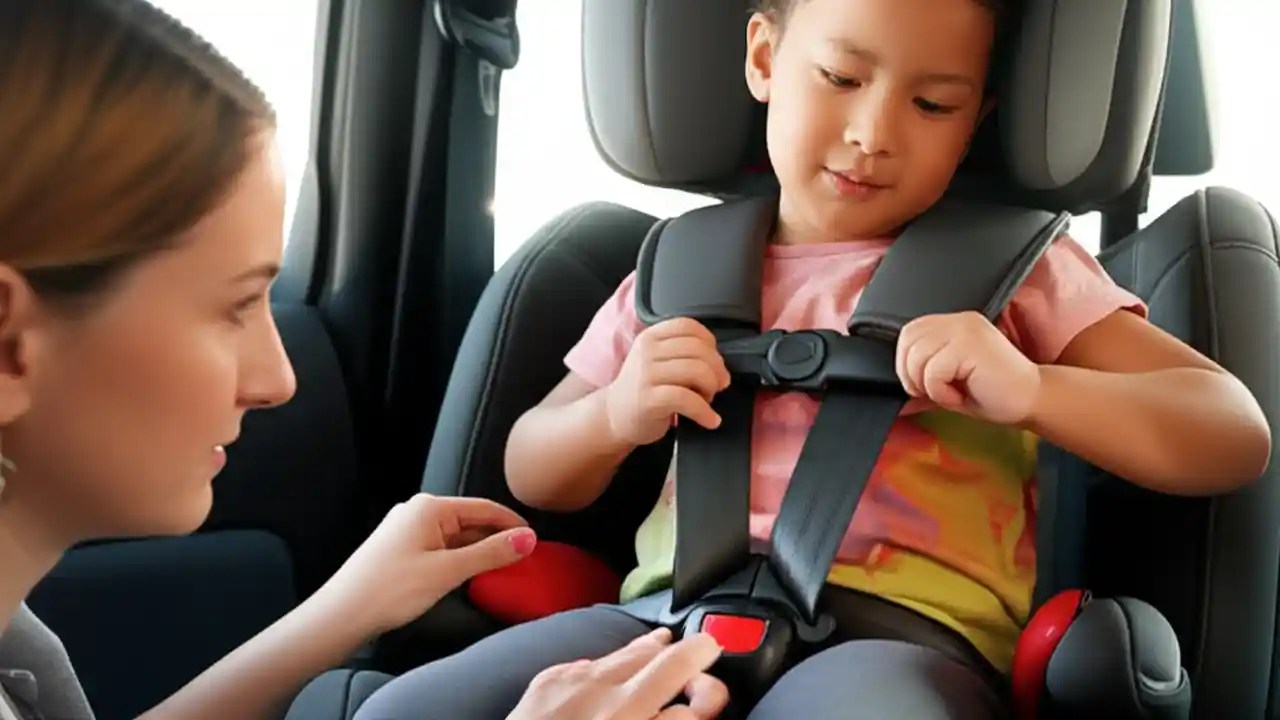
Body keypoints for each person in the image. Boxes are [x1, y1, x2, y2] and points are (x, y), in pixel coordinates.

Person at [354, 0, 1274, 718]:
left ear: (976, 118)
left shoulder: (1019, 275)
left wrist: (1034, 389)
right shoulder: (676, 268)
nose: (876, 132)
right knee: (397, 708)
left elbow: (1230, 432)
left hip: (901, 645)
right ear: (763, 58)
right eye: (839, 77)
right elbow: (533, 467)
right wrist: (611, 416)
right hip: (656, 621)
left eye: (932, 103)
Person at [0, 1, 730, 719]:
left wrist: (349, 608)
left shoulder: (19, 644)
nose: (278, 381)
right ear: (10, 346)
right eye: (233, 309)